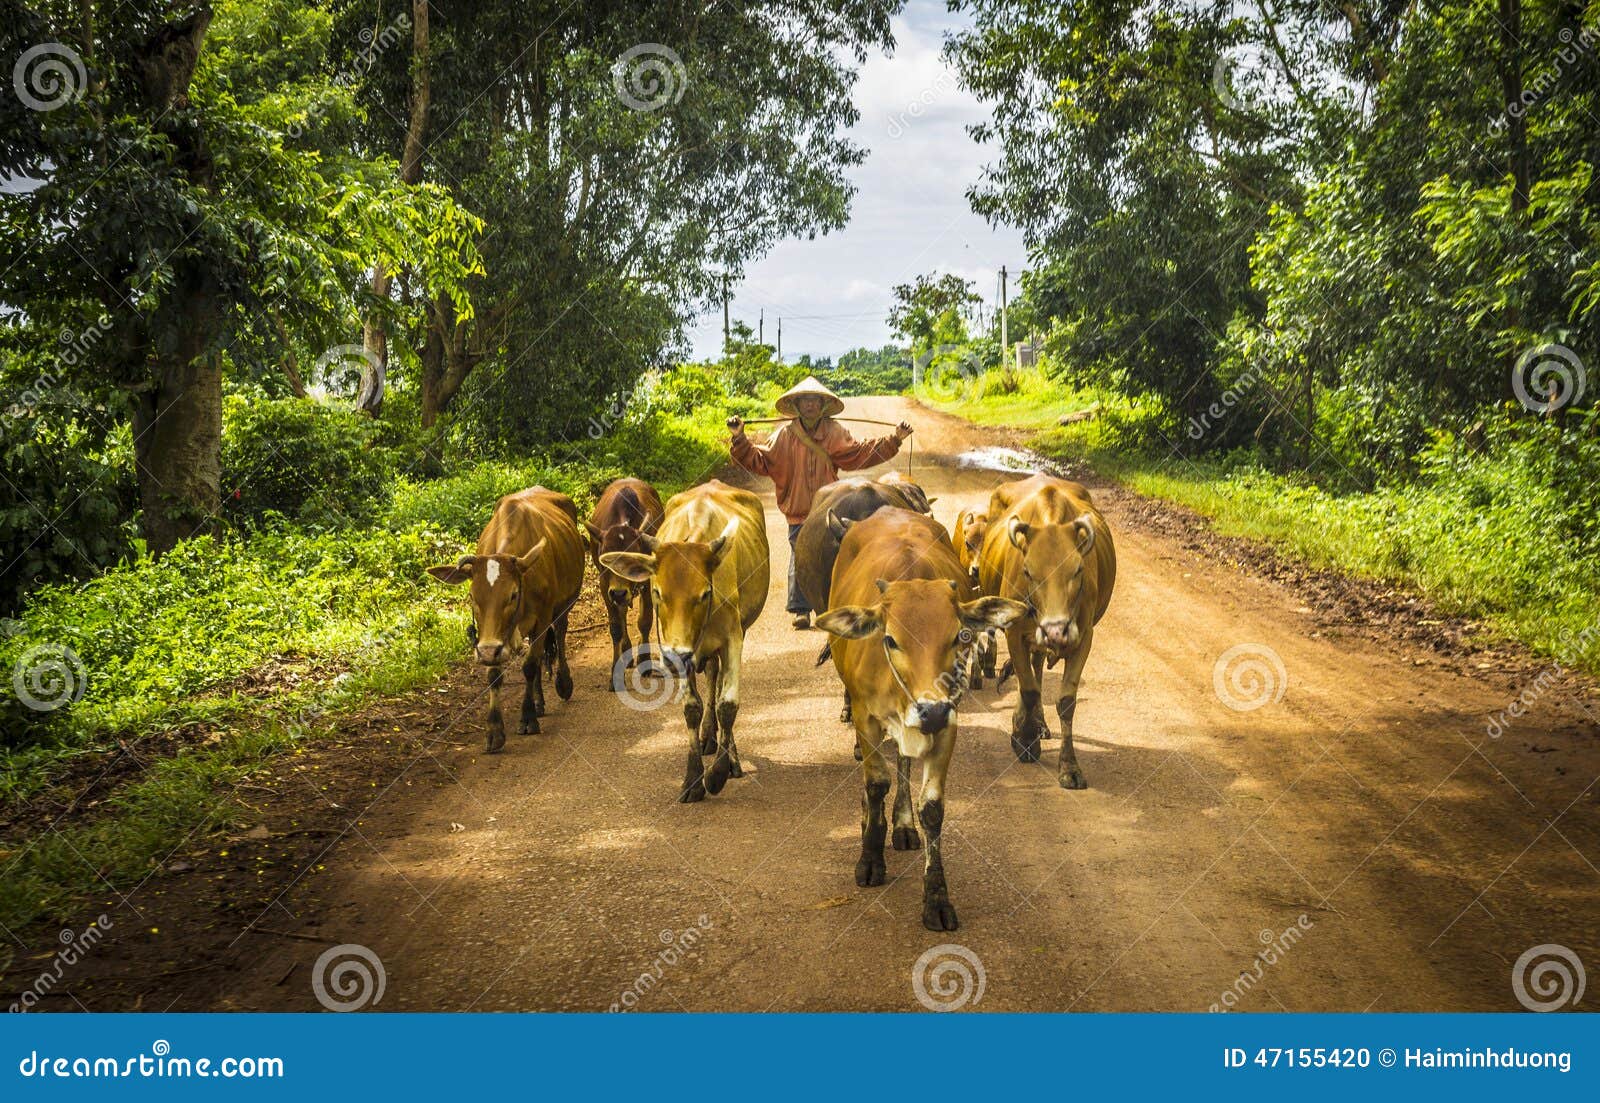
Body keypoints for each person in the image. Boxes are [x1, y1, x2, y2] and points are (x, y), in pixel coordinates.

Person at [728, 377, 912, 628]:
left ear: (823, 405)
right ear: (797, 404)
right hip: (799, 508)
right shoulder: (783, 435)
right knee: (800, 554)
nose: (811, 405)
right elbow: (760, 460)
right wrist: (740, 438)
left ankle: (840, 602)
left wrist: (894, 440)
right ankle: (800, 609)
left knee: (837, 553)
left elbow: (859, 454)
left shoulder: (835, 433)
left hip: (829, 506)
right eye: (805, 400)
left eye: (815, 400)